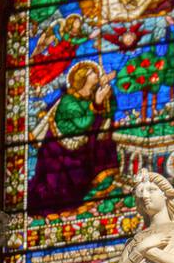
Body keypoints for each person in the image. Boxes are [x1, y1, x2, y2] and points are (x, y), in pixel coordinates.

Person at [28, 60, 118, 214]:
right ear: (82, 79)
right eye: (91, 73)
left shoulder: (90, 97)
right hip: (60, 153)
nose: (96, 74)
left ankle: (101, 187)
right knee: (64, 182)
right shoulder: (67, 101)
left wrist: (107, 94)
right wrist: (96, 103)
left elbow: (108, 113)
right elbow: (81, 125)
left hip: (83, 148)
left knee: (106, 147)